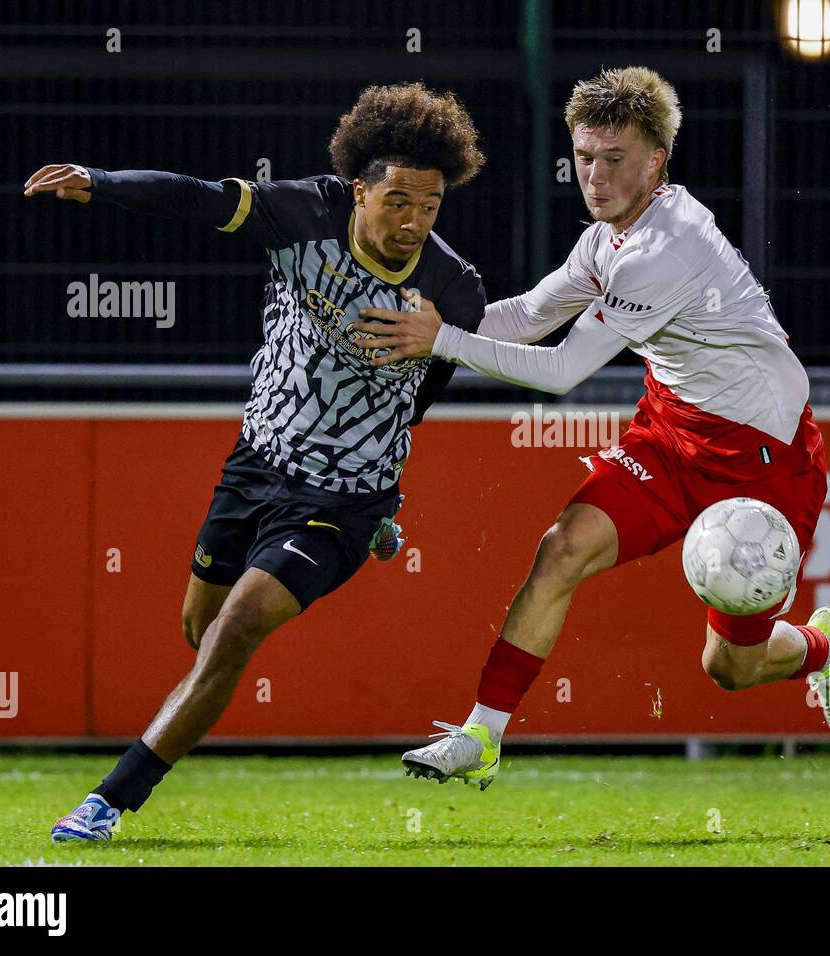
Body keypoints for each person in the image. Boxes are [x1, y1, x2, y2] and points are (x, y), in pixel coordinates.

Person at [353, 66, 830, 791]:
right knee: (561, 550)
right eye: (584, 157)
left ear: (657, 160)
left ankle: (821, 644)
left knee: (729, 669)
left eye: (613, 159)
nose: (594, 176)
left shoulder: (668, 248)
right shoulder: (608, 240)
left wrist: (437, 340)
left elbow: (560, 373)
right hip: (671, 430)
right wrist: (417, 323)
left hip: (763, 459)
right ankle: (483, 734)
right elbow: (528, 316)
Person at [26, 83, 488, 840]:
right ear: (358, 189)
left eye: (430, 206)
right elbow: (198, 199)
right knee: (199, 626)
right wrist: (100, 181)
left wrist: (385, 481)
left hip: (342, 500)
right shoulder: (300, 212)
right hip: (256, 463)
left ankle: (109, 800)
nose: (413, 222)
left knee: (236, 627)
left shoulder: (452, 289)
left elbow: (422, 395)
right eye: (398, 201)